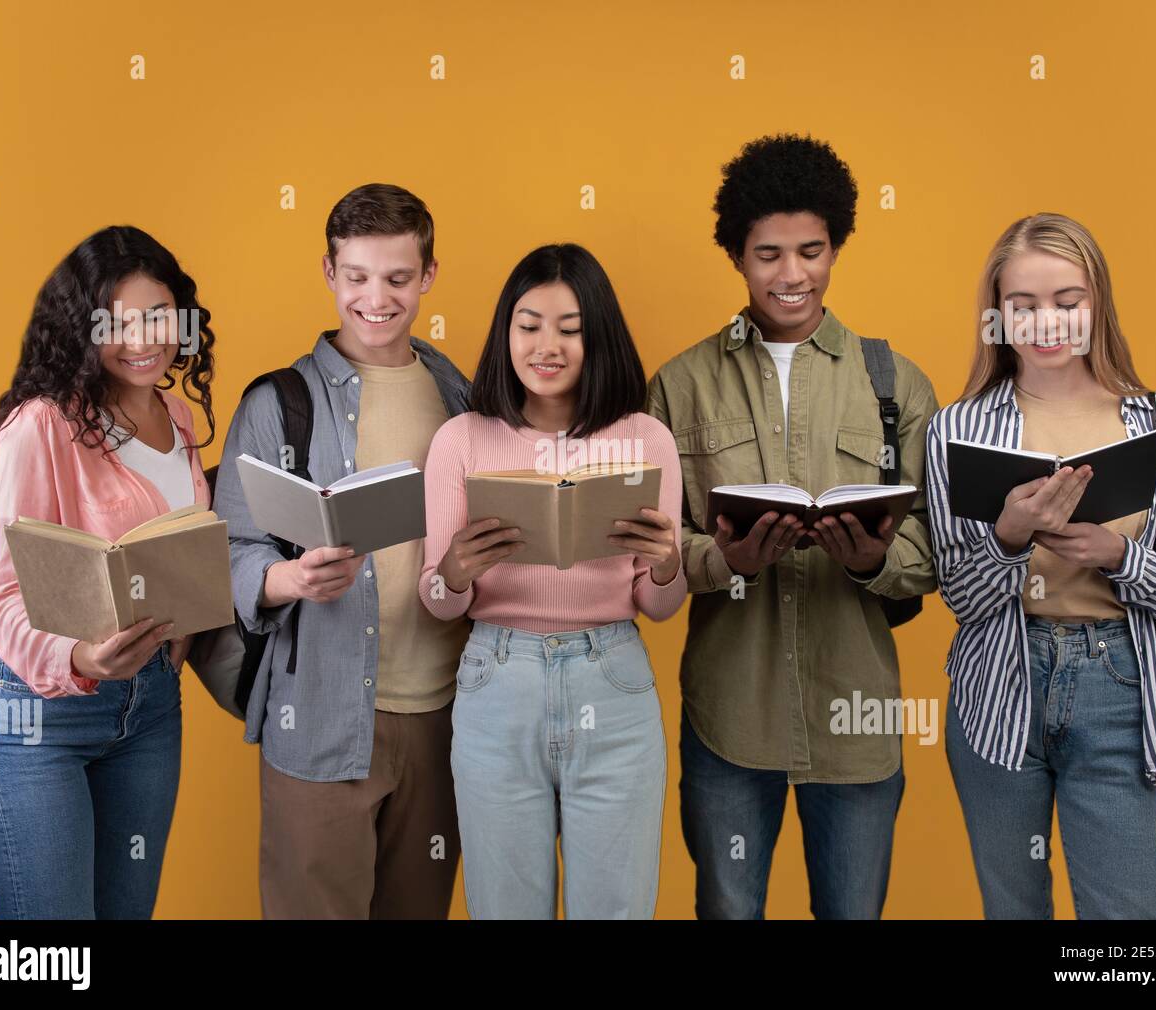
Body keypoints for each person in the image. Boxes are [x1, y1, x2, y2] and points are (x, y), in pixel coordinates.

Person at [647, 133, 938, 919]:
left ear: (836, 245)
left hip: (857, 717)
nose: (792, 275)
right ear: (736, 256)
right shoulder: (679, 384)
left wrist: (876, 559)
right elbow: (650, 547)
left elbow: (934, 548)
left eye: (811, 250)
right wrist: (722, 558)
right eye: (768, 254)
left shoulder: (897, 384)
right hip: (729, 719)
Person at [925, 212, 1156, 919]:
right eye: (1022, 305)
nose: (1046, 322)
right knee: (1014, 909)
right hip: (1000, 683)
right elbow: (963, 599)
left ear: (1098, 305)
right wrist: (1008, 537)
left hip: (1118, 681)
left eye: (1068, 301)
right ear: (997, 315)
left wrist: (1118, 556)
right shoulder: (958, 428)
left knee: (1130, 931)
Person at [212, 183, 473, 919]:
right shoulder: (277, 402)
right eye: (356, 277)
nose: (376, 299)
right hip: (319, 720)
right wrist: (285, 577)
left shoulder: (460, 392)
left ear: (428, 276)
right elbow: (234, 547)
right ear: (329, 273)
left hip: (446, 716)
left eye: (397, 278)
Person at [419, 243, 686, 919]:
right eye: (529, 324)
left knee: (616, 909)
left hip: (614, 675)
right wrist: (452, 571)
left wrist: (666, 563)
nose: (547, 345)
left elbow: (660, 604)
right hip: (497, 679)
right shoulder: (462, 439)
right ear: (505, 330)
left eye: (570, 329)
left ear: (597, 338)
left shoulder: (645, 437)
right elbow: (437, 601)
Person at [0, 225, 217, 918]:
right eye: (121, 322)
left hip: (149, 712)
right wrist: (80, 656)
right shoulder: (40, 426)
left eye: (161, 317)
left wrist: (186, 626)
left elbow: (177, 552)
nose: (145, 340)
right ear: (84, 327)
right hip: (38, 717)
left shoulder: (176, 415)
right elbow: (5, 603)